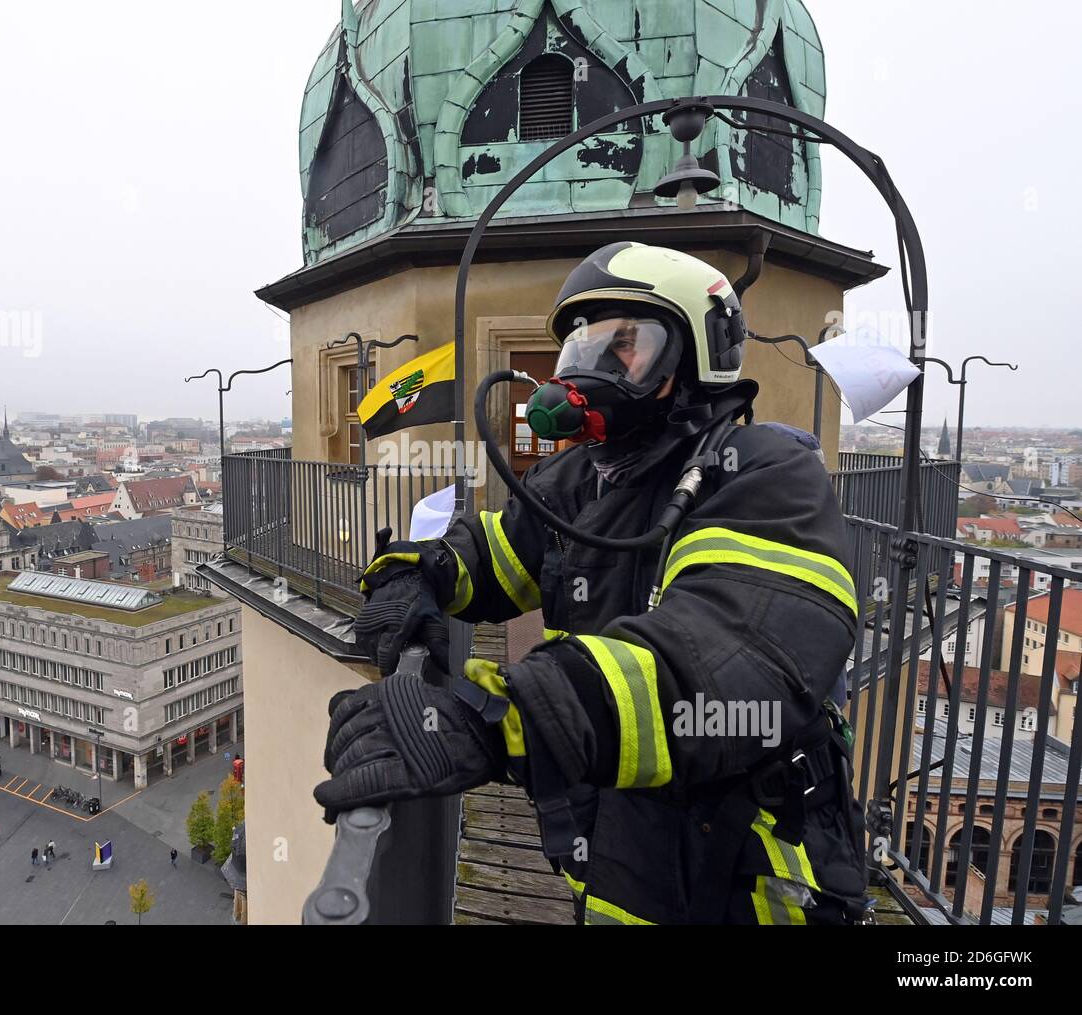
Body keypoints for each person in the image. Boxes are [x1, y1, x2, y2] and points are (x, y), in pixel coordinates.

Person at [317, 243, 869, 926]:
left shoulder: (764, 477)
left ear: (695, 358)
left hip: (739, 873)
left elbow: (721, 665)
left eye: (623, 346)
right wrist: (420, 571)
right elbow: (496, 550)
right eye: (581, 347)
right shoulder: (584, 479)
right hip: (617, 845)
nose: (589, 370)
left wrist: (495, 722)